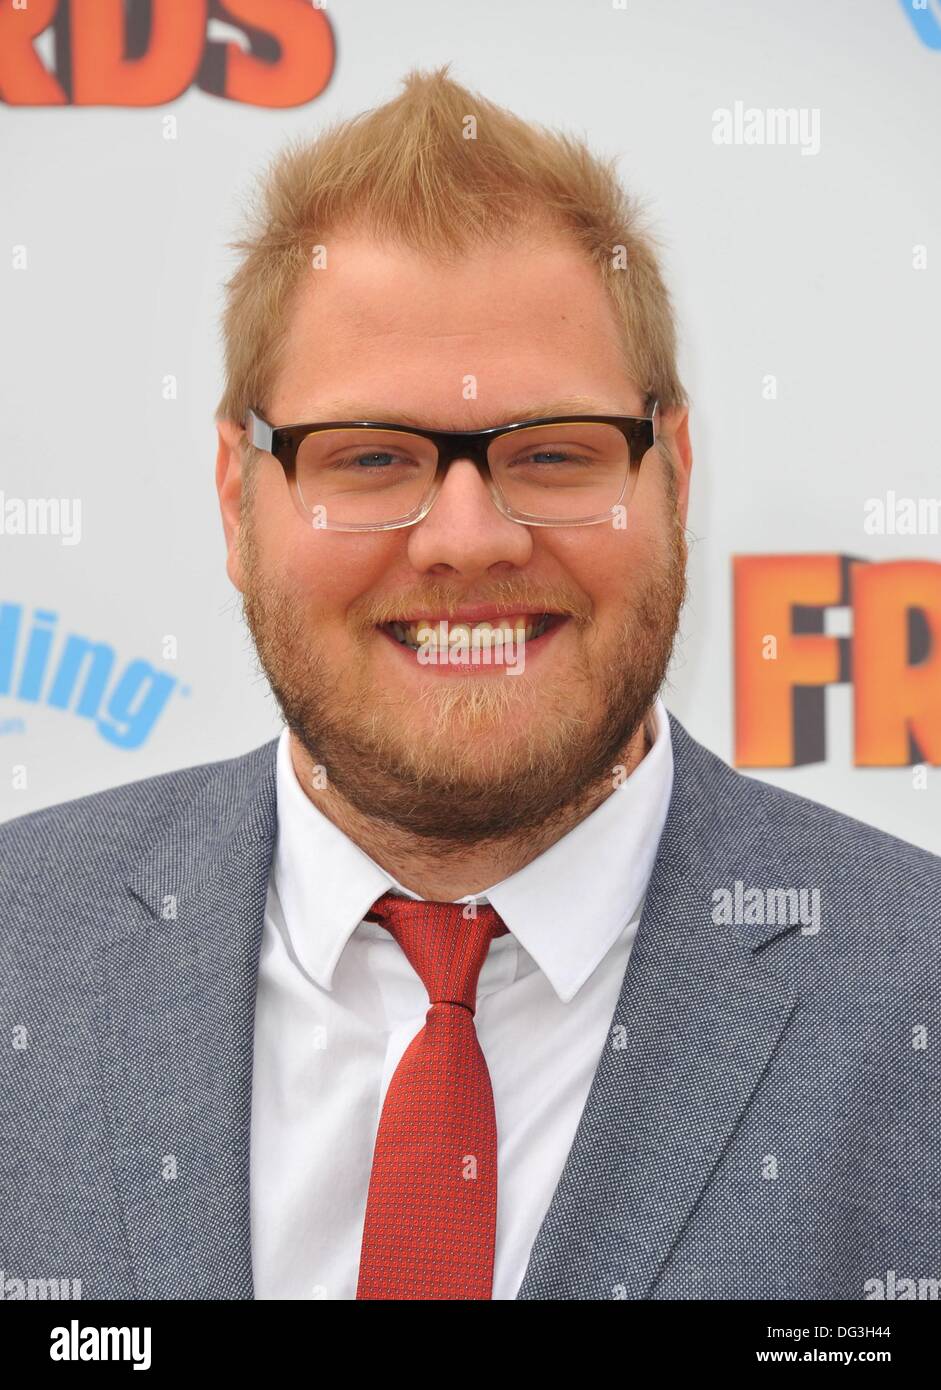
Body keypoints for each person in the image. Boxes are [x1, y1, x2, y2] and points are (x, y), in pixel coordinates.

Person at [1, 66, 938, 1302]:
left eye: (551, 452)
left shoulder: (909, 984)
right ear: (238, 497)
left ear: (677, 472)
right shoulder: (26, 951)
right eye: (371, 456)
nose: (466, 537)